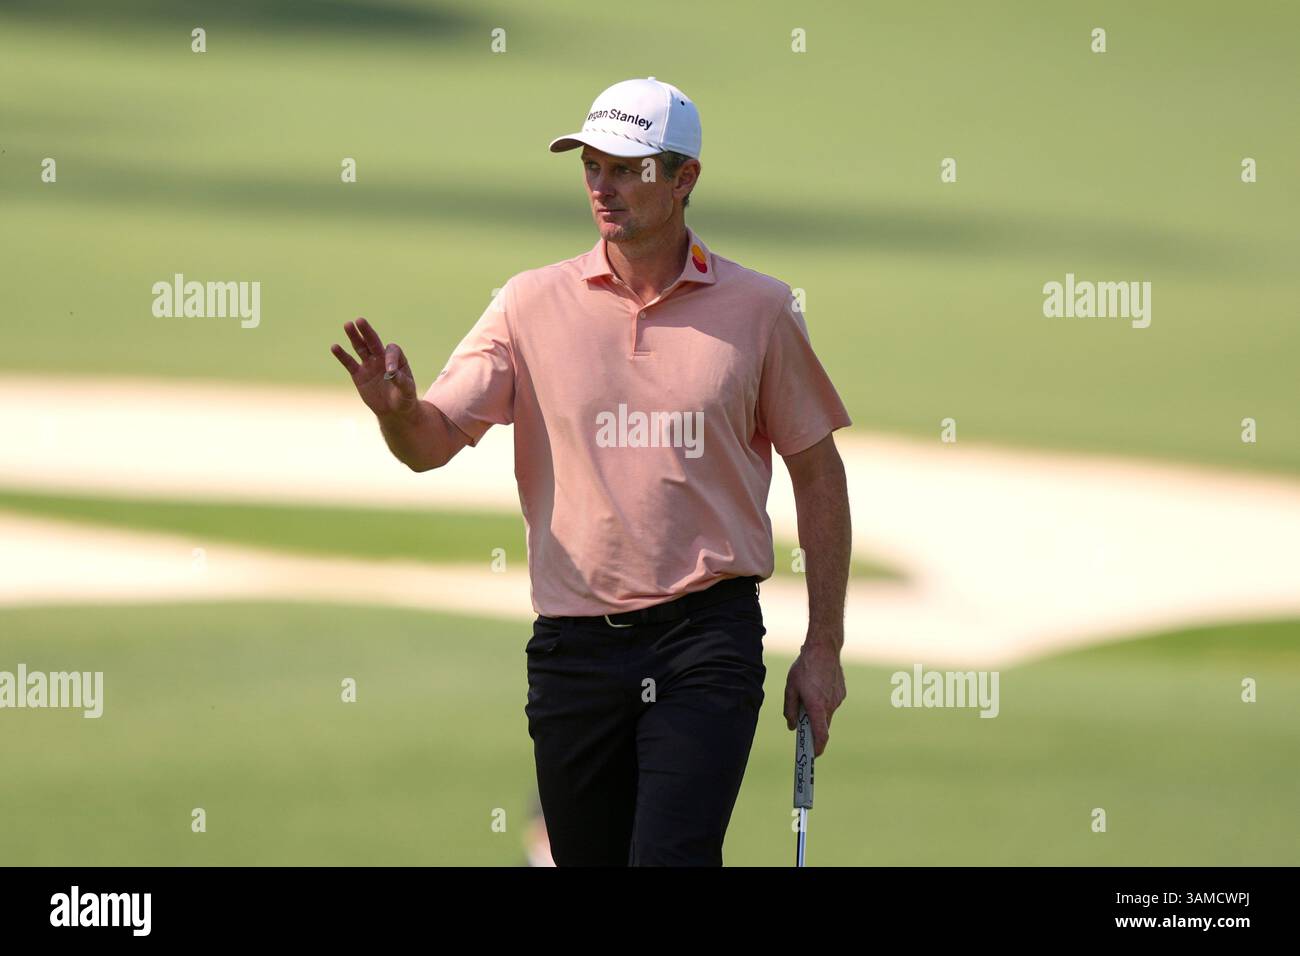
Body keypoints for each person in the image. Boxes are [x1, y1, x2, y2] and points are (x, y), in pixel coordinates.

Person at [330, 77, 852, 866]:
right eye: (591, 167)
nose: (603, 187)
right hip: (573, 653)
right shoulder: (527, 303)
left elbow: (819, 475)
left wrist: (823, 647)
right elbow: (430, 444)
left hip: (705, 641)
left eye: (627, 168)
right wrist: (395, 411)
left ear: (684, 180)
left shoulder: (760, 310)